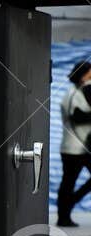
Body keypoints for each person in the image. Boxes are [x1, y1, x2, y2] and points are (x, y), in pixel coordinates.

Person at [58, 59, 91, 227]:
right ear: (83, 75)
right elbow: (77, 117)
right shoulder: (74, 94)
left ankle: (67, 208)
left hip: (78, 147)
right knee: (68, 183)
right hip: (75, 148)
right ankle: (65, 213)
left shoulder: (76, 91)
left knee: (68, 183)